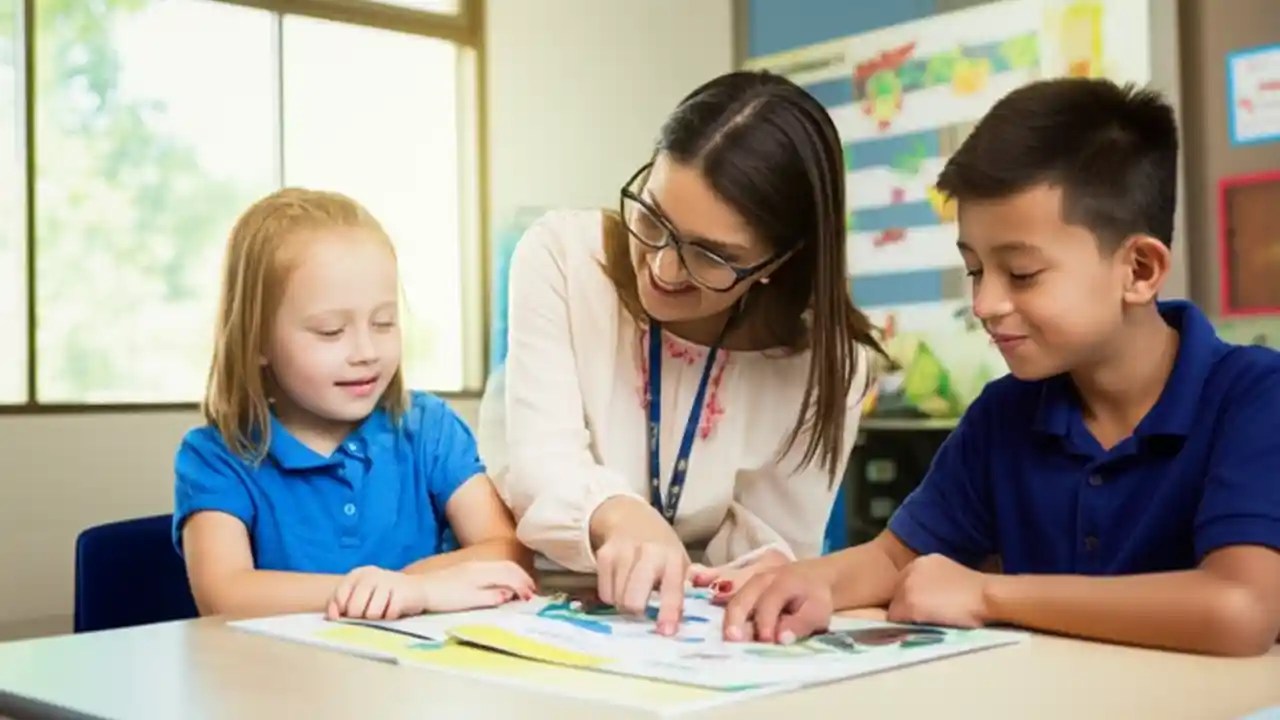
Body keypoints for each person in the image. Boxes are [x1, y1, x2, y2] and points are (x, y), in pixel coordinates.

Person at [724, 78, 1280, 657]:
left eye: (1021, 274)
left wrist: (990, 595)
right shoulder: (1006, 413)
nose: (985, 304)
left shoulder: (1255, 397)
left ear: (1138, 270)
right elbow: (895, 558)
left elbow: (1239, 610)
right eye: (974, 270)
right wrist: (810, 580)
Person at [483, 70, 882, 635]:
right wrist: (619, 516)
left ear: (778, 263)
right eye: (652, 217)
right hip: (527, 590)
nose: (664, 268)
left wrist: (760, 573)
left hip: (688, 626)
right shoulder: (563, 258)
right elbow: (540, 461)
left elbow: (774, 546)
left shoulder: (827, 366)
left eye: (711, 255)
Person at [174, 188, 534, 620]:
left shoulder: (429, 429)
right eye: (330, 331)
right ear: (257, 342)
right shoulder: (215, 457)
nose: (366, 350)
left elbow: (508, 552)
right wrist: (389, 589)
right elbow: (226, 594)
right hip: (279, 680)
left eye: (384, 323)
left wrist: (410, 589)